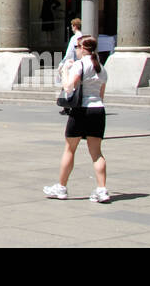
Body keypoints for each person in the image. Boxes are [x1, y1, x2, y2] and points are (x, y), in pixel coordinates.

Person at [44, 36, 109, 203]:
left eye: (77, 47)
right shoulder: (101, 68)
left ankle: (61, 187)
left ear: (81, 48)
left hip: (81, 110)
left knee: (70, 148)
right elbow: (101, 94)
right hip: (98, 110)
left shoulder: (80, 65)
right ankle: (102, 189)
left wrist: (65, 71)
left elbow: (68, 87)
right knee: (96, 152)